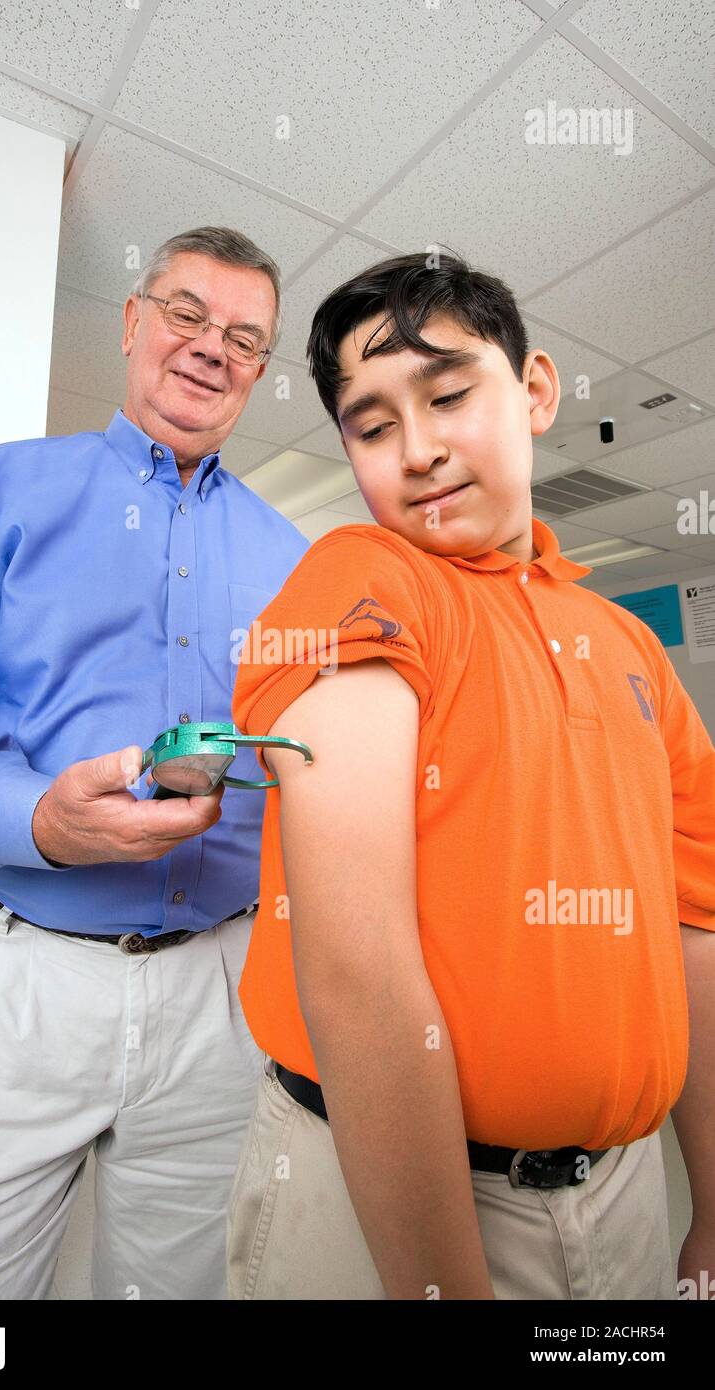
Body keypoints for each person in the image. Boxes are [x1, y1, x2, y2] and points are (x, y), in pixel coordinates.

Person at [226, 251, 715, 1300]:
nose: (419, 449)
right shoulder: (359, 575)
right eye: (371, 424)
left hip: (623, 1194)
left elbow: (696, 930)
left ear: (535, 391)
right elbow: (356, 968)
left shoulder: (629, 643)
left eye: (448, 393)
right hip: (390, 1201)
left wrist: (712, 1210)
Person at [0, 225, 309, 1299]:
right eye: (187, 314)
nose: (210, 348)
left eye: (244, 338)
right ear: (133, 322)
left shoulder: (297, 562)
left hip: (221, 994)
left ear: (259, 371)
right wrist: (37, 819)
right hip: (7, 982)